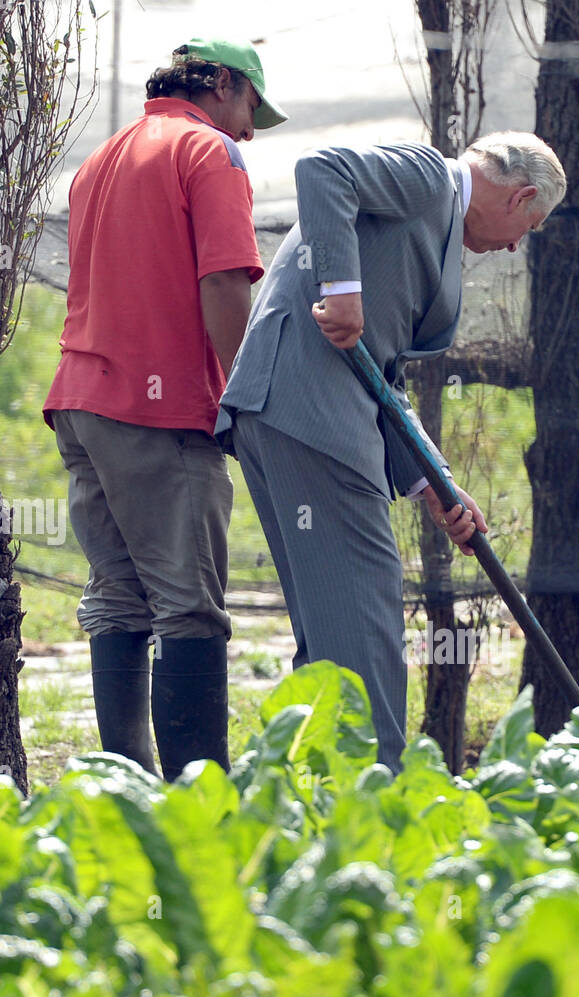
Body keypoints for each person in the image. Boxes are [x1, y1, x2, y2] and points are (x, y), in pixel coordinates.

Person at [216, 131, 567, 772]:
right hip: (312, 417)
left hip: (285, 413)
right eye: (529, 225)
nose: (517, 244)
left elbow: (383, 375)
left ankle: (317, 790)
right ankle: (376, 794)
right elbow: (323, 170)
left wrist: (434, 480)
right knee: (366, 625)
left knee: (331, 631)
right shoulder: (431, 178)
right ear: (519, 196)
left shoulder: (427, 224)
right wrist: (342, 288)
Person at [43, 38, 287, 779]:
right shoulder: (208, 152)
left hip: (83, 402)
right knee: (188, 607)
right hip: (160, 410)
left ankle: (129, 790)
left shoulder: (101, 159)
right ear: (220, 84)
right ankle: (197, 802)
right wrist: (242, 396)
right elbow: (223, 281)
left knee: (118, 598)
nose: (248, 130)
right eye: (249, 107)